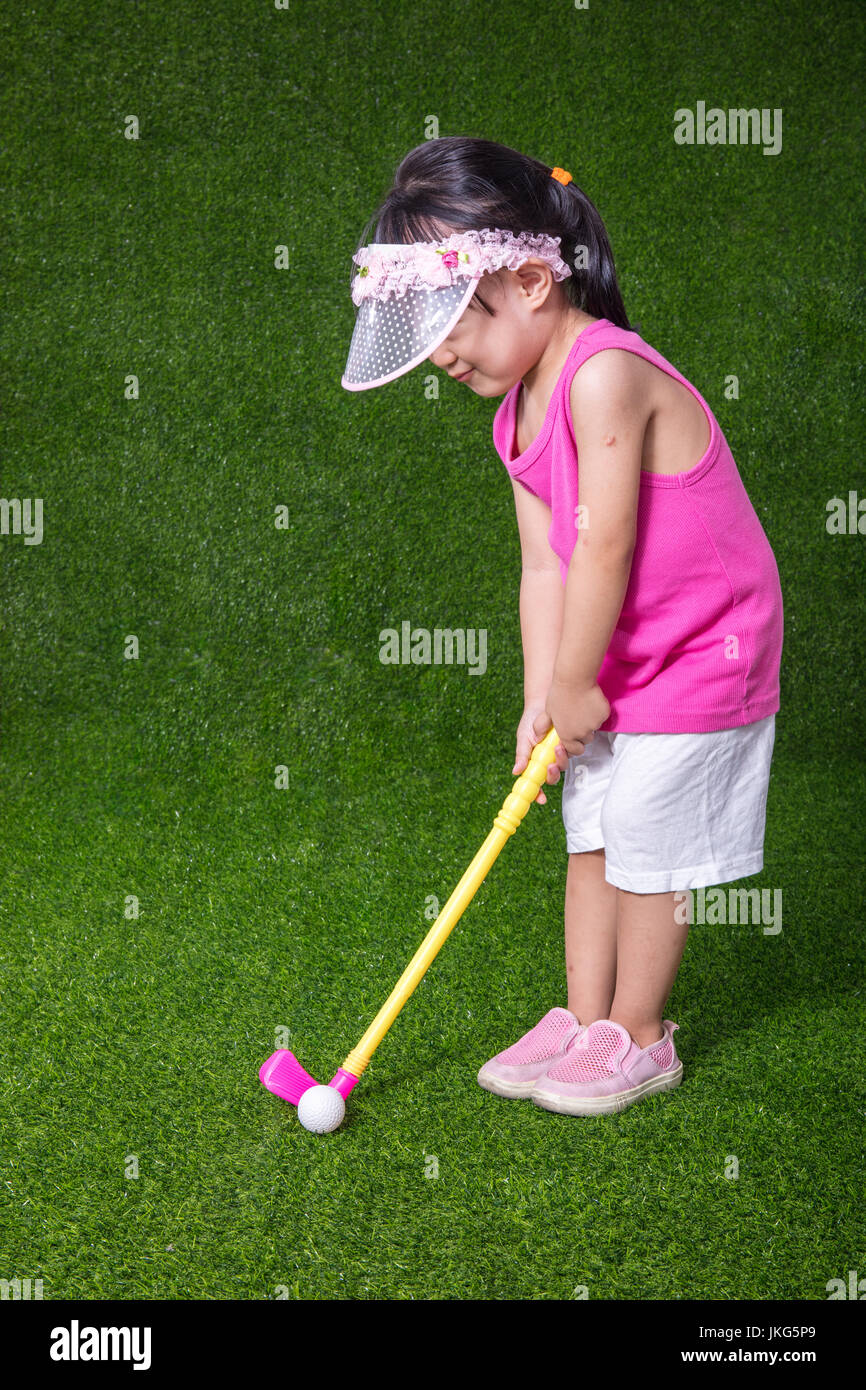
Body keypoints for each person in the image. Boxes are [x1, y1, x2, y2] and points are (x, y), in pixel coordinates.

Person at [341, 136, 783, 1117]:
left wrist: (579, 682)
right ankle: (585, 1020)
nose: (441, 354)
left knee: (645, 839)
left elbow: (606, 544)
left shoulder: (601, 374)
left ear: (533, 281)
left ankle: (640, 1033)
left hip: (703, 645)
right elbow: (545, 566)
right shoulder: (514, 414)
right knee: (590, 829)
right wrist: (543, 694)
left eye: (453, 322)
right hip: (609, 650)